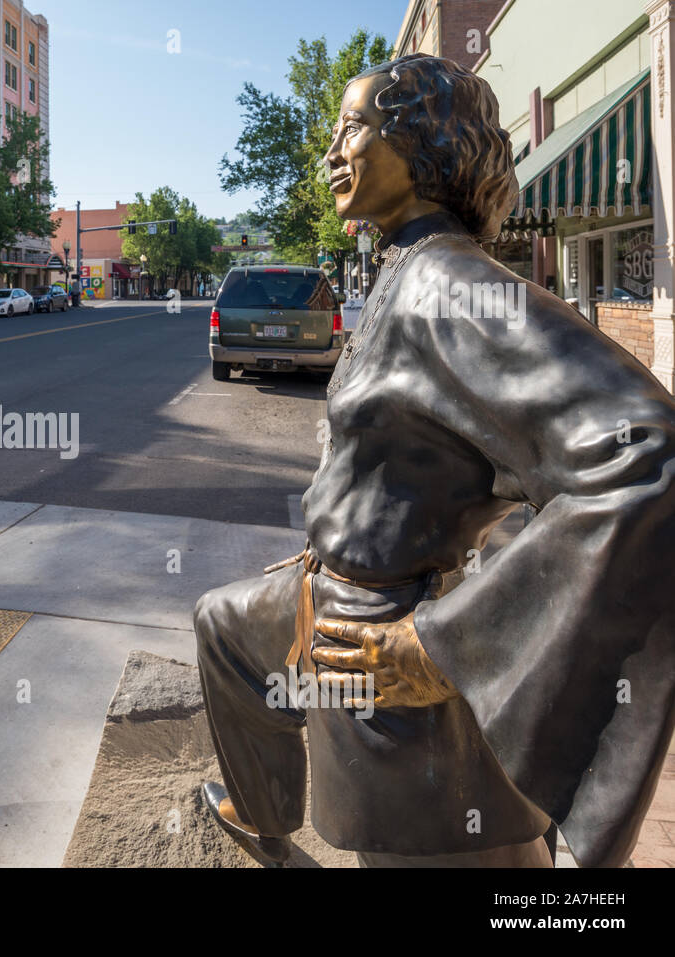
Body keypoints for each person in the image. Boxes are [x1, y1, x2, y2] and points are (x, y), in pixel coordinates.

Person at [196, 53, 675, 868]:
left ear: (421, 145)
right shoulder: (402, 268)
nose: (332, 152)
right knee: (226, 626)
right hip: (329, 589)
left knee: (448, 857)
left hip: (377, 636)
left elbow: (648, 449)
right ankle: (263, 806)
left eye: (354, 128)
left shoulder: (448, 285)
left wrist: (444, 645)